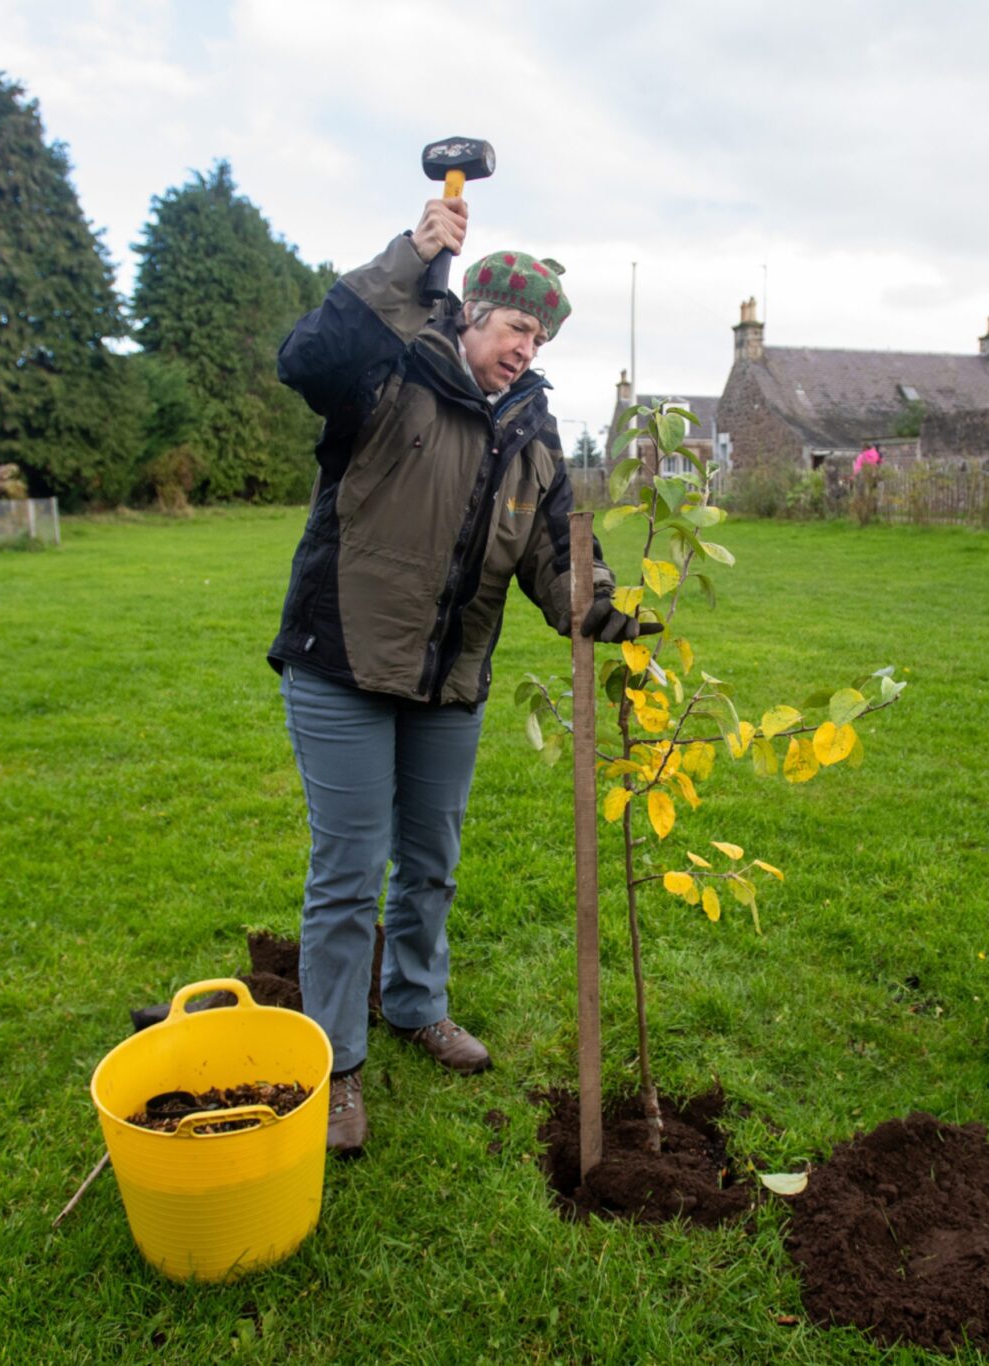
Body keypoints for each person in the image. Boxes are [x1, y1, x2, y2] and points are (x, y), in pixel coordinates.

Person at [268, 196, 657, 1155]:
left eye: (543, 334)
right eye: (519, 325)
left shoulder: (533, 429)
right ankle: (338, 1067)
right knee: (350, 873)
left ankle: (415, 1003)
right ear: (474, 311)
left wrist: (607, 608)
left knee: (431, 861)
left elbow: (559, 556)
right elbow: (303, 359)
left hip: (450, 680)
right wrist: (408, 259)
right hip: (346, 661)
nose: (529, 346)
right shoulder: (387, 370)